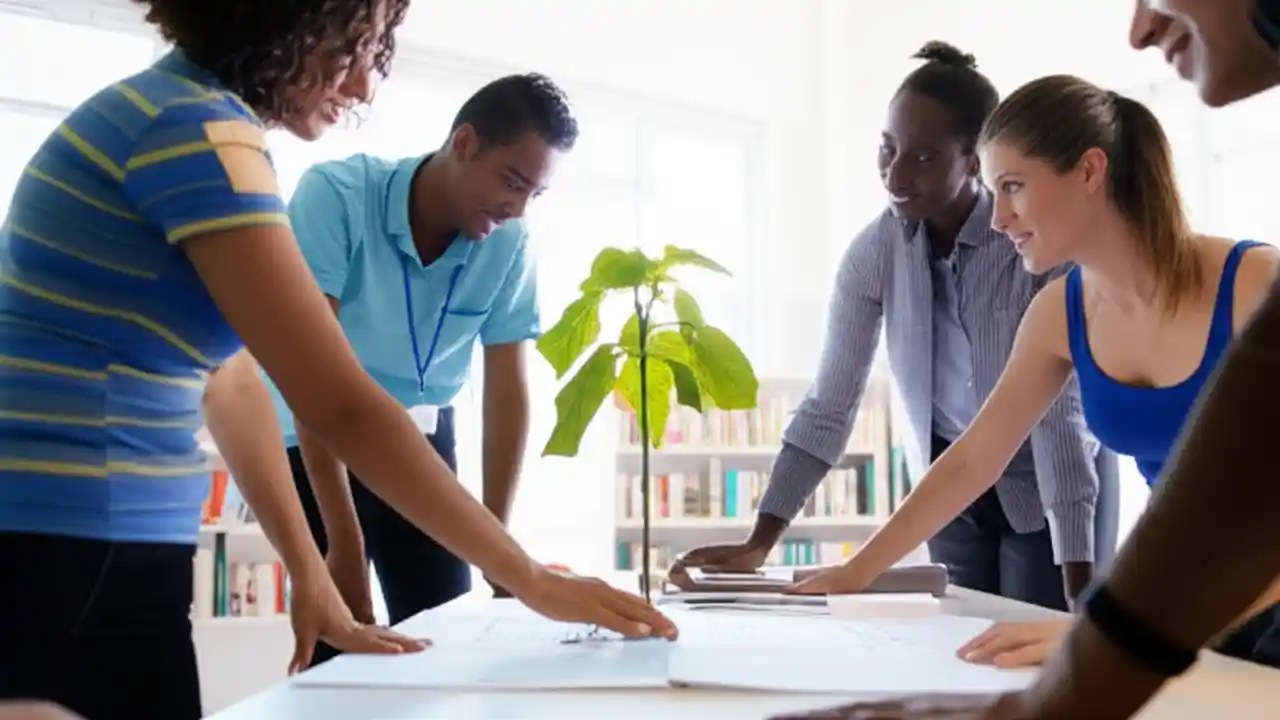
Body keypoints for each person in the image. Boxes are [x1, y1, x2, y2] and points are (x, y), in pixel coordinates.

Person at [0, 2, 675, 718]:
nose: (359, 88)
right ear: (281, 23)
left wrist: (307, 568)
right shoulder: (196, 132)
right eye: (351, 50)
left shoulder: (179, 116)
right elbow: (336, 403)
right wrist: (528, 576)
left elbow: (230, 382)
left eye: (373, 55)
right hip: (73, 534)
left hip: (111, 535)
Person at [772, 1, 1280, 717]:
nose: (999, 215)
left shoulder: (1254, 285)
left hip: (1231, 601)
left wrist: (1108, 638)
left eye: (1011, 186)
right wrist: (858, 571)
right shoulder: (1059, 314)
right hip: (1199, 604)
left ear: (1088, 171)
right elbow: (976, 457)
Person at [670, 41, 1117, 611]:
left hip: (1059, 479)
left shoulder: (1031, 248)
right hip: (951, 483)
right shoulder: (873, 254)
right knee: (970, 649)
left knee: (1044, 651)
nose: (895, 174)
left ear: (973, 162)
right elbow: (829, 404)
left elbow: (1061, 422)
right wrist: (762, 541)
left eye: (924, 158)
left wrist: (1081, 601)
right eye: (887, 149)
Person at [278, 73, 571, 663]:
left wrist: (498, 544)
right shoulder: (335, 197)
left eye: (533, 194)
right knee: (342, 639)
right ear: (464, 143)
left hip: (423, 440)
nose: (516, 208)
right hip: (320, 438)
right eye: (512, 182)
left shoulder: (511, 243)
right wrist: (342, 541)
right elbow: (312, 381)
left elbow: (506, 390)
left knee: (444, 639)